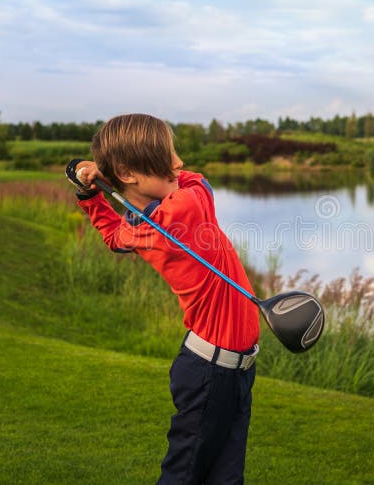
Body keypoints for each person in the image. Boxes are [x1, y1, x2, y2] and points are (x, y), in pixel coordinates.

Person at [65, 113, 260, 484]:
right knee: (183, 476)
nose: (179, 163)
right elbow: (196, 182)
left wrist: (93, 191)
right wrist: (104, 180)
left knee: (225, 478)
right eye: (167, 157)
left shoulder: (140, 229)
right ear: (128, 171)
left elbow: (112, 235)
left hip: (231, 371)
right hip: (211, 374)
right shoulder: (187, 204)